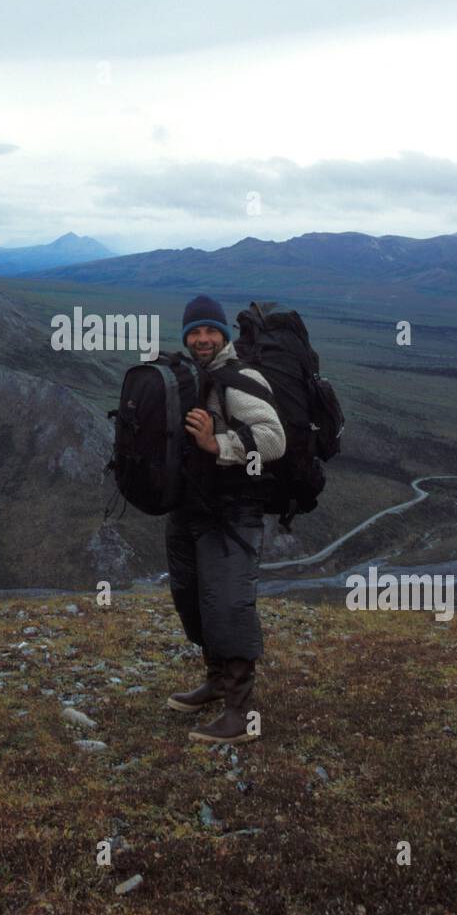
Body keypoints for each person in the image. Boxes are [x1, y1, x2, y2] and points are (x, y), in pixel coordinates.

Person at [165, 294, 286, 745]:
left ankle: (239, 713)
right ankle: (216, 682)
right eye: (194, 332)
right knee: (193, 600)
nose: (201, 339)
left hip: (233, 510)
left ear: (224, 335)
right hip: (191, 507)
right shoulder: (194, 375)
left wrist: (220, 446)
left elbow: (274, 440)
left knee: (228, 605)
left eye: (210, 331)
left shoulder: (241, 379)